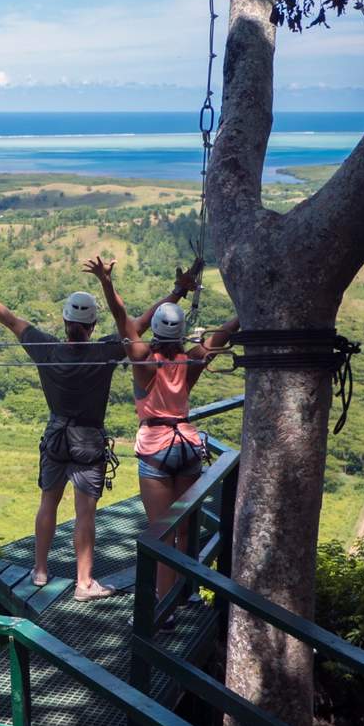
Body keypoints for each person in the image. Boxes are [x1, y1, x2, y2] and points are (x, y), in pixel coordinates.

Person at [0, 262, 199, 601]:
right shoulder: (105, 350)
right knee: (85, 513)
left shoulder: (46, 348)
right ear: (93, 324)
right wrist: (177, 293)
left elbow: (8, 318)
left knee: (47, 503)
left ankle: (40, 571)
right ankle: (84, 583)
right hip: (89, 441)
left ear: (66, 322)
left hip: (56, 435)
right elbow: (137, 324)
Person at [86, 257, 238, 618]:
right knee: (187, 531)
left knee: (163, 534)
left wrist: (107, 283)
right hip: (187, 445)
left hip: (155, 447)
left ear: (155, 330)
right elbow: (223, 334)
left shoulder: (144, 361)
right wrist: (243, 313)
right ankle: (191, 596)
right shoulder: (191, 360)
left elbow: (124, 322)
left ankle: (164, 610)